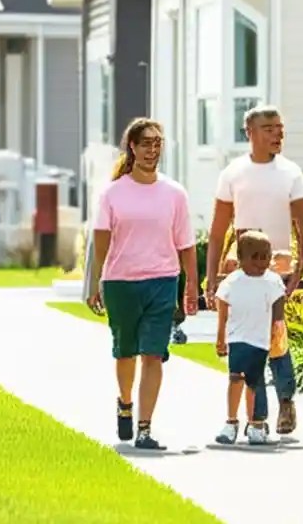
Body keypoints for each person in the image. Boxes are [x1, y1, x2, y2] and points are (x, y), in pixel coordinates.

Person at [86, 117, 199, 451]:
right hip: (121, 282)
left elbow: (186, 243)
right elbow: (101, 242)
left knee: (153, 354)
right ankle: (124, 403)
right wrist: (96, 283)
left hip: (162, 281)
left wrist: (192, 283)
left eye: (157, 143)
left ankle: (145, 429)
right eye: (146, 143)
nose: (152, 150)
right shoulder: (112, 194)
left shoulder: (174, 193)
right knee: (126, 353)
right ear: (132, 147)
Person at [205, 105, 303, 436]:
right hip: (239, 273)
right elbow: (218, 229)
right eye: (268, 128)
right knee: (245, 342)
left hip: (276, 271)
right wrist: (212, 279)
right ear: (248, 132)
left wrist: (299, 271)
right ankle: (250, 415)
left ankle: (285, 400)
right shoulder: (233, 174)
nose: (277, 134)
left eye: (280, 128)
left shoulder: (291, 173)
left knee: (277, 340)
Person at [214, 230, 286, 446]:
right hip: (237, 339)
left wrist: (277, 333)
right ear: (241, 258)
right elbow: (223, 309)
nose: (261, 262)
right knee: (236, 378)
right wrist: (220, 338)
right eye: (255, 257)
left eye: (265, 256)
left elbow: (278, 310)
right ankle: (231, 422)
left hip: (260, 341)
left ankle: (255, 423)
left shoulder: (272, 282)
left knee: (254, 382)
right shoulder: (232, 281)